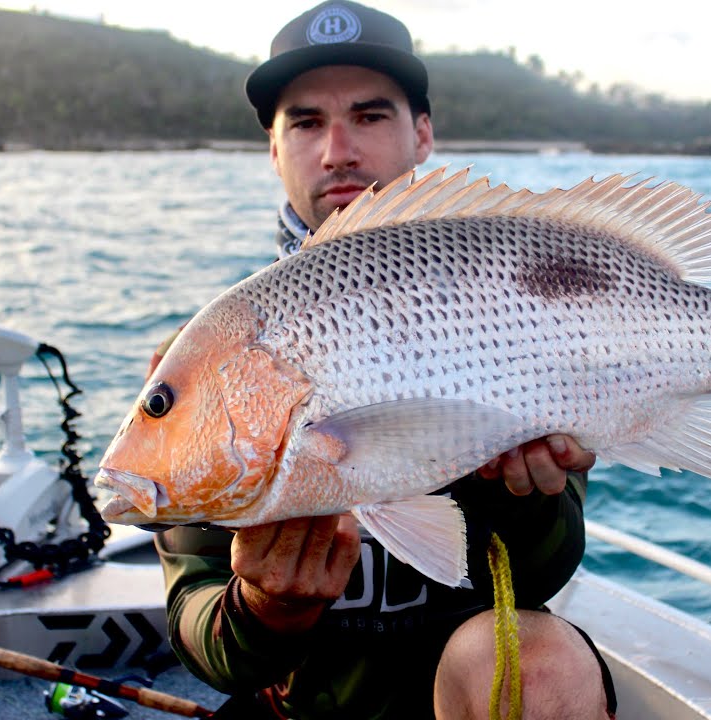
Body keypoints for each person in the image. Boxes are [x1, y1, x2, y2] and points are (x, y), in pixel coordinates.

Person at [152, 2, 616, 718]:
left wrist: (517, 491)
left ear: (422, 133)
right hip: (302, 706)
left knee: (540, 661)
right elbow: (202, 630)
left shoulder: (513, 300)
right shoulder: (209, 358)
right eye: (306, 122)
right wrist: (267, 608)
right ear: (273, 148)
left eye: (369, 115)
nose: (337, 149)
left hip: (468, 687)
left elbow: (538, 578)